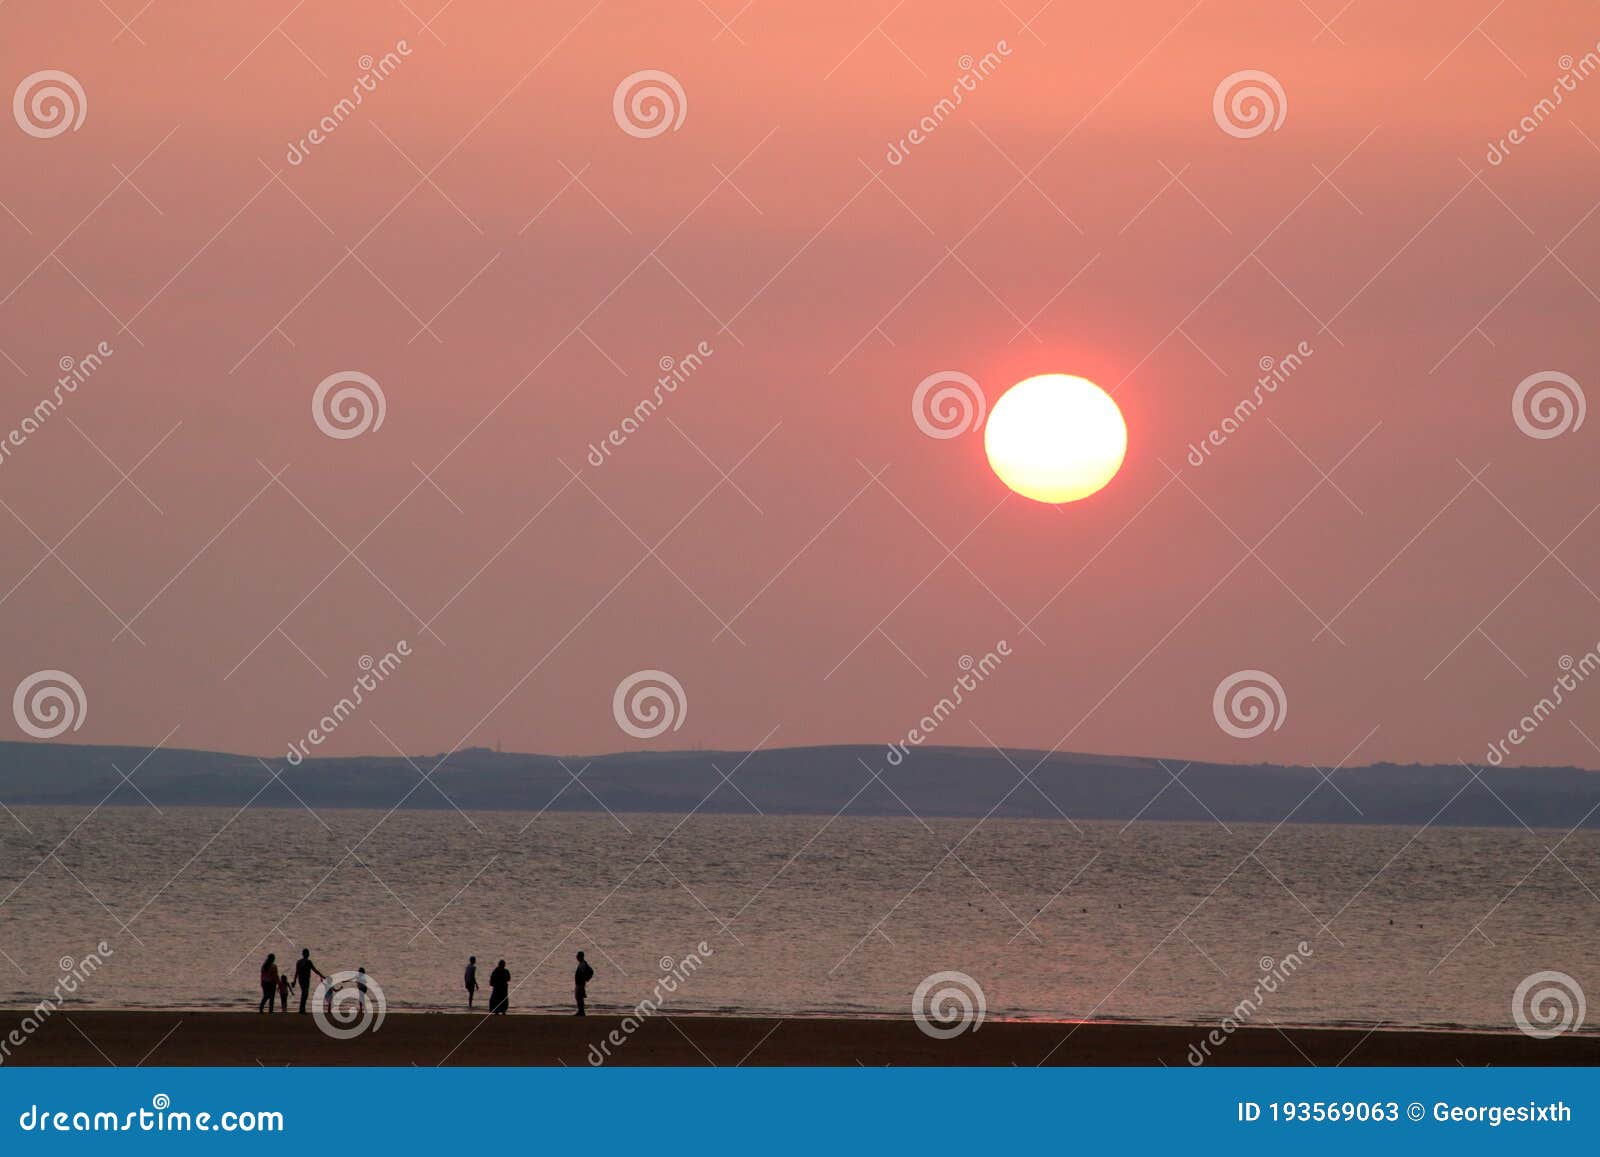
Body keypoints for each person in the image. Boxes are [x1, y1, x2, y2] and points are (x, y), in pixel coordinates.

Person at [294, 949, 325, 1014]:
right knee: (305, 993)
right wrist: (294, 981)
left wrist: (321, 975)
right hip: (303, 980)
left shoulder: (302, 962)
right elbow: (297, 972)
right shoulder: (305, 962)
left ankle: (302, 1009)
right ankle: (302, 1009)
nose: (308, 954)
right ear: (305, 954)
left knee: (304, 993)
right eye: (307, 953)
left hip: (304, 980)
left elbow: (314, 970)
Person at [574, 951, 594, 1016]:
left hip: (580, 983)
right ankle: (581, 1011)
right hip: (579, 983)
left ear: (580, 957)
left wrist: (585, 979)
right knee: (579, 997)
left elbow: (588, 972)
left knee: (579, 997)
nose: (576, 957)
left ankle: (581, 1011)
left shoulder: (583, 964)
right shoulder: (582, 963)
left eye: (577, 956)